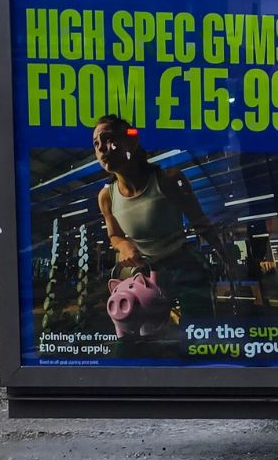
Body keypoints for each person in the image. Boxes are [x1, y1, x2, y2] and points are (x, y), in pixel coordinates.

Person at [93, 115, 226, 337]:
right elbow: (114, 235)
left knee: (198, 332)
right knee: (136, 332)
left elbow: (200, 222)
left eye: (107, 139)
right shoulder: (106, 196)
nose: (101, 149)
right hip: (144, 271)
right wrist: (123, 244)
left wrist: (225, 255)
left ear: (131, 142)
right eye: (96, 144)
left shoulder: (169, 179)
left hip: (183, 265)